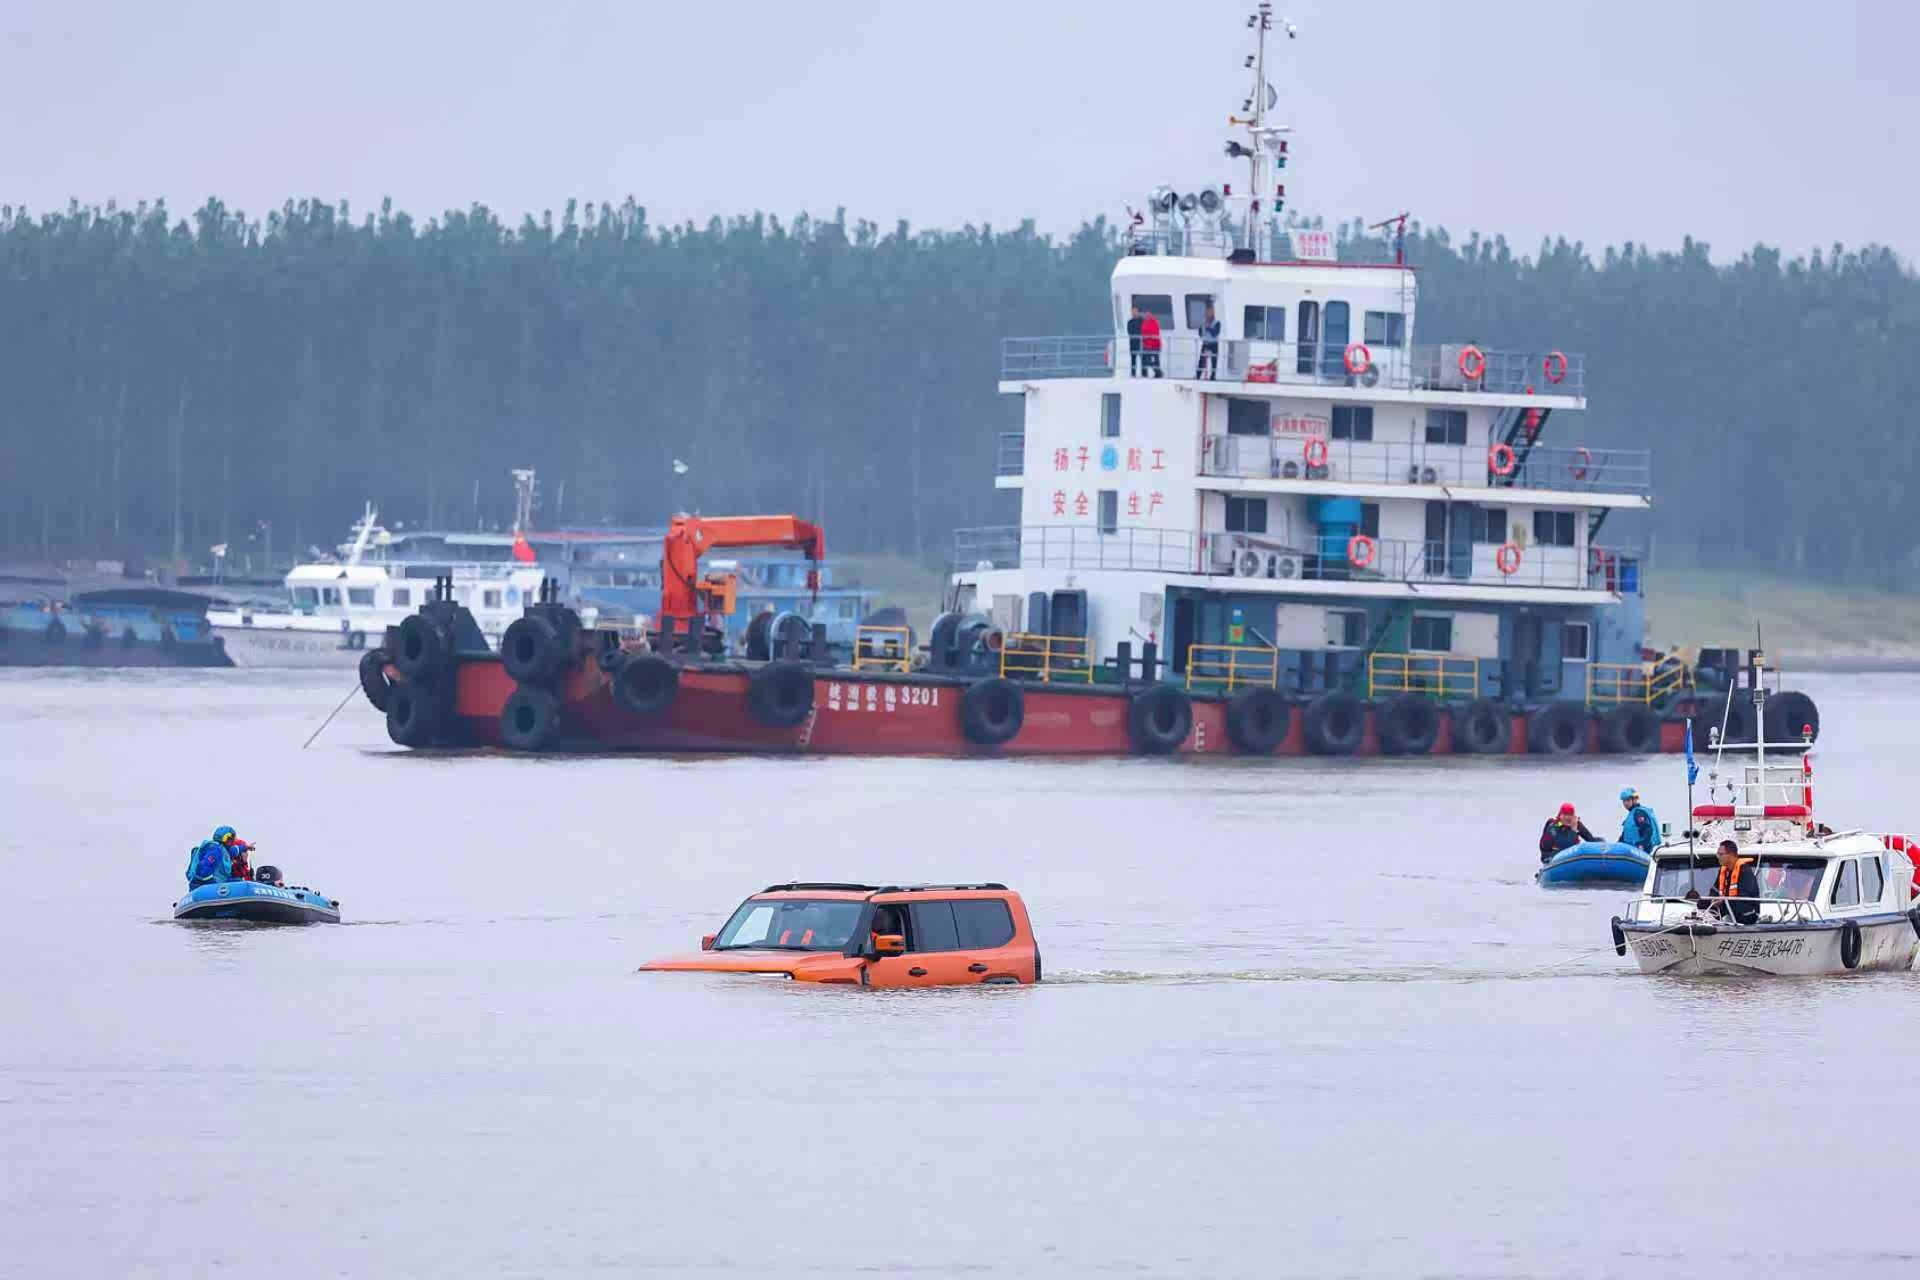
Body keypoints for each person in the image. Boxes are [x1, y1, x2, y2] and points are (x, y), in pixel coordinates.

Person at [1710, 839, 1760, 925]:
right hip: (1728, 909)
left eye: (1721, 854)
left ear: (1732, 855)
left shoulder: (1745, 871)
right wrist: (1713, 899)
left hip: (1746, 914)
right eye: (1717, 854)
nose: (1718, 857)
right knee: (1702, 903)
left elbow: (1745, 897)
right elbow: (1714, 890)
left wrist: (1722, 901)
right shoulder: (1723, 871)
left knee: (1728, 904)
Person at [1618, 787, 1660, 855]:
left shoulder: (1639, 813)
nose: (1625, 803)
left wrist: (1642, 845)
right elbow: (1625, 835)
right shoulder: (1631, 814)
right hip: (1630, 850)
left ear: (1634, 800)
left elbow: (1648, 830)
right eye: (1624, 801)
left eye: (1628, 800)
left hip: (1639, 852)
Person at [1196, 304, 1221, 380]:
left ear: (1213, 313)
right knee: (1201, 360)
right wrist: (1203, 329)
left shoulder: (1217, 323)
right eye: (1207, 312)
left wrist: (1208, 328)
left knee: (1214, 361)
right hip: (1206, 343)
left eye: (1210, 312)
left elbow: (1215, 333)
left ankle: (1213, 376)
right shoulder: (1203, 322)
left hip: (1214, 344)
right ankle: (1198, 376)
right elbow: (1200, 333)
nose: (1208, 313)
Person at [1139, 307, 1163, 378]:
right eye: (1146, 314)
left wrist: (1148, 338)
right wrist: (1145, 342)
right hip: (1146, 345)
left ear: (1151, 314)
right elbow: (1143, 332)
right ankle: (1156, 372)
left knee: (1155, 360)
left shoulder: (1154, 322)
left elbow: (1154, 333)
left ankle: (1158, 373)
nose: (1147, 316)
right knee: (1146, 360)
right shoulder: (1144, 322)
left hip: (1155, 345)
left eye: (1148, 314)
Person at [1126, 305, 1144, 377]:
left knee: (1143, 359)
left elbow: (1143, 331)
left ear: (1138, 312)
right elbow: (1129, 331)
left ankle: (1144, 374)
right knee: (1133, 360)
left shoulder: (1142, 321)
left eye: (1135, 311)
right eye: (1132, 311)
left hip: (1141, 343)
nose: (1134, 313)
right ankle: (1133, 374)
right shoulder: (1130, 322)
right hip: (1133, 343)